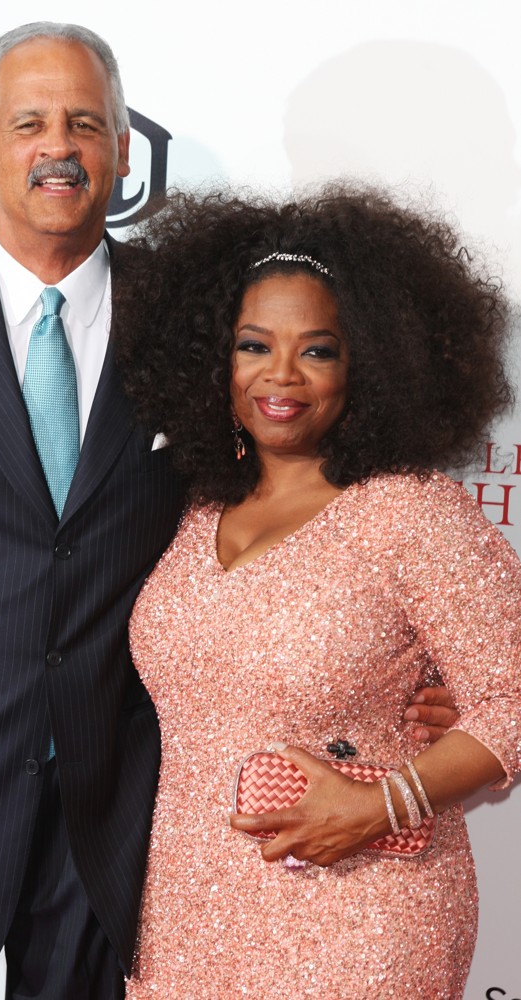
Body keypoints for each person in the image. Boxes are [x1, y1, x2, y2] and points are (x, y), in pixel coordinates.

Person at [0, 24, 458, 999]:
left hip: (118, 834)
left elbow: (315, 503)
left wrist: (422, 672)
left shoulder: (200, 327)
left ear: (123, 152)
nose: (58, 146)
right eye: (29, 122)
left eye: (85, 123)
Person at [115, 186, 521, 998]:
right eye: (253, 345)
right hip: (186, 914)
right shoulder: (190, 511)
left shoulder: (411, 511)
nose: (282, 376)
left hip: (364, 911)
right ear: (214, 361)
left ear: (368, 362)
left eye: (319, 349)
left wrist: (384, 804)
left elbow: (511, 696)